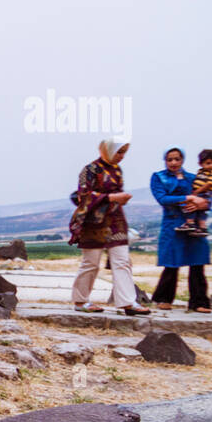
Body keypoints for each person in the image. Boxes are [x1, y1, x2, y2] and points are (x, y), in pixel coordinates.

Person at [68, 134, 149, 315]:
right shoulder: (90, 170)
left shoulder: (117, 170)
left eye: (124, 152)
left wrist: (121, 199)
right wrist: (112, 197)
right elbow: (83, 197)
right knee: (91, 262)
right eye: (119, 152)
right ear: (108, 149)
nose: (121, 156)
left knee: (122, 261)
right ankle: (80, 300)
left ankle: (127, 302)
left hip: (116, 221)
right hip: (93, 223)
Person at [149, 146, 212, 311]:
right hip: (173, 224)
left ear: (182, 160)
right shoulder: (159, 178)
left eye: (177, 159)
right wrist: (188, 198)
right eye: (170, 159)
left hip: (194, 224)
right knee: (171, 262)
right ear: (165, 161)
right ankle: (164, 298)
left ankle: (199, 302)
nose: (173, 162)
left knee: (197, 262)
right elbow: (162, 198)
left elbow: (208, 196)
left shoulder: (194, 177)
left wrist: (202, 203)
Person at [174, 149, 212, 237]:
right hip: (202, 193)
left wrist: (196, 192)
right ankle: (202, 228)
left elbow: (209, 184)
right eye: (208, 163)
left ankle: (190, 223)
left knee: (189, 204)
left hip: (206, 193)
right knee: (200, 210)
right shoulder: (200, 172)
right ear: (200, 164)